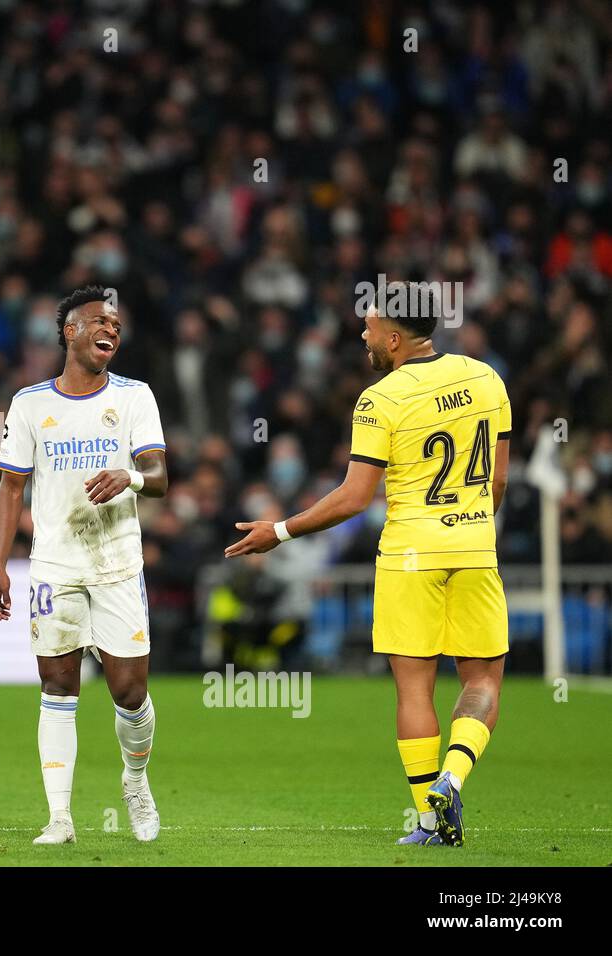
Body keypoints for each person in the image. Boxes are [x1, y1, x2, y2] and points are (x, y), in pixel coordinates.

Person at [225, 296, 511, 847]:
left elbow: (355, 498)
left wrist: (279, 531)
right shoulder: (486, 378)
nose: (363, 335)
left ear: (395, 338)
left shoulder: (378, 400)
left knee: (413, 691)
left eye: (370, 327)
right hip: (475, 548)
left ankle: (428, 821)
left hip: (408, 556)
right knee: (480, 681)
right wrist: (470, 526)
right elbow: (497, 483)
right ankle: (453, 778)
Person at [0, 285, 169, 845]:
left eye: (115, 323)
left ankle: (135, 780)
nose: (110, 328)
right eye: (98, 320)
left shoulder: (135, 396)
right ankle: (60, 818)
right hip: (53, 566)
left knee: (129, 693)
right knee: (57, 684)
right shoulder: (30, 404)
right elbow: (10, 489)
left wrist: (130, 477)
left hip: (117, 563)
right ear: (70, 331)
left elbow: (160, 479)